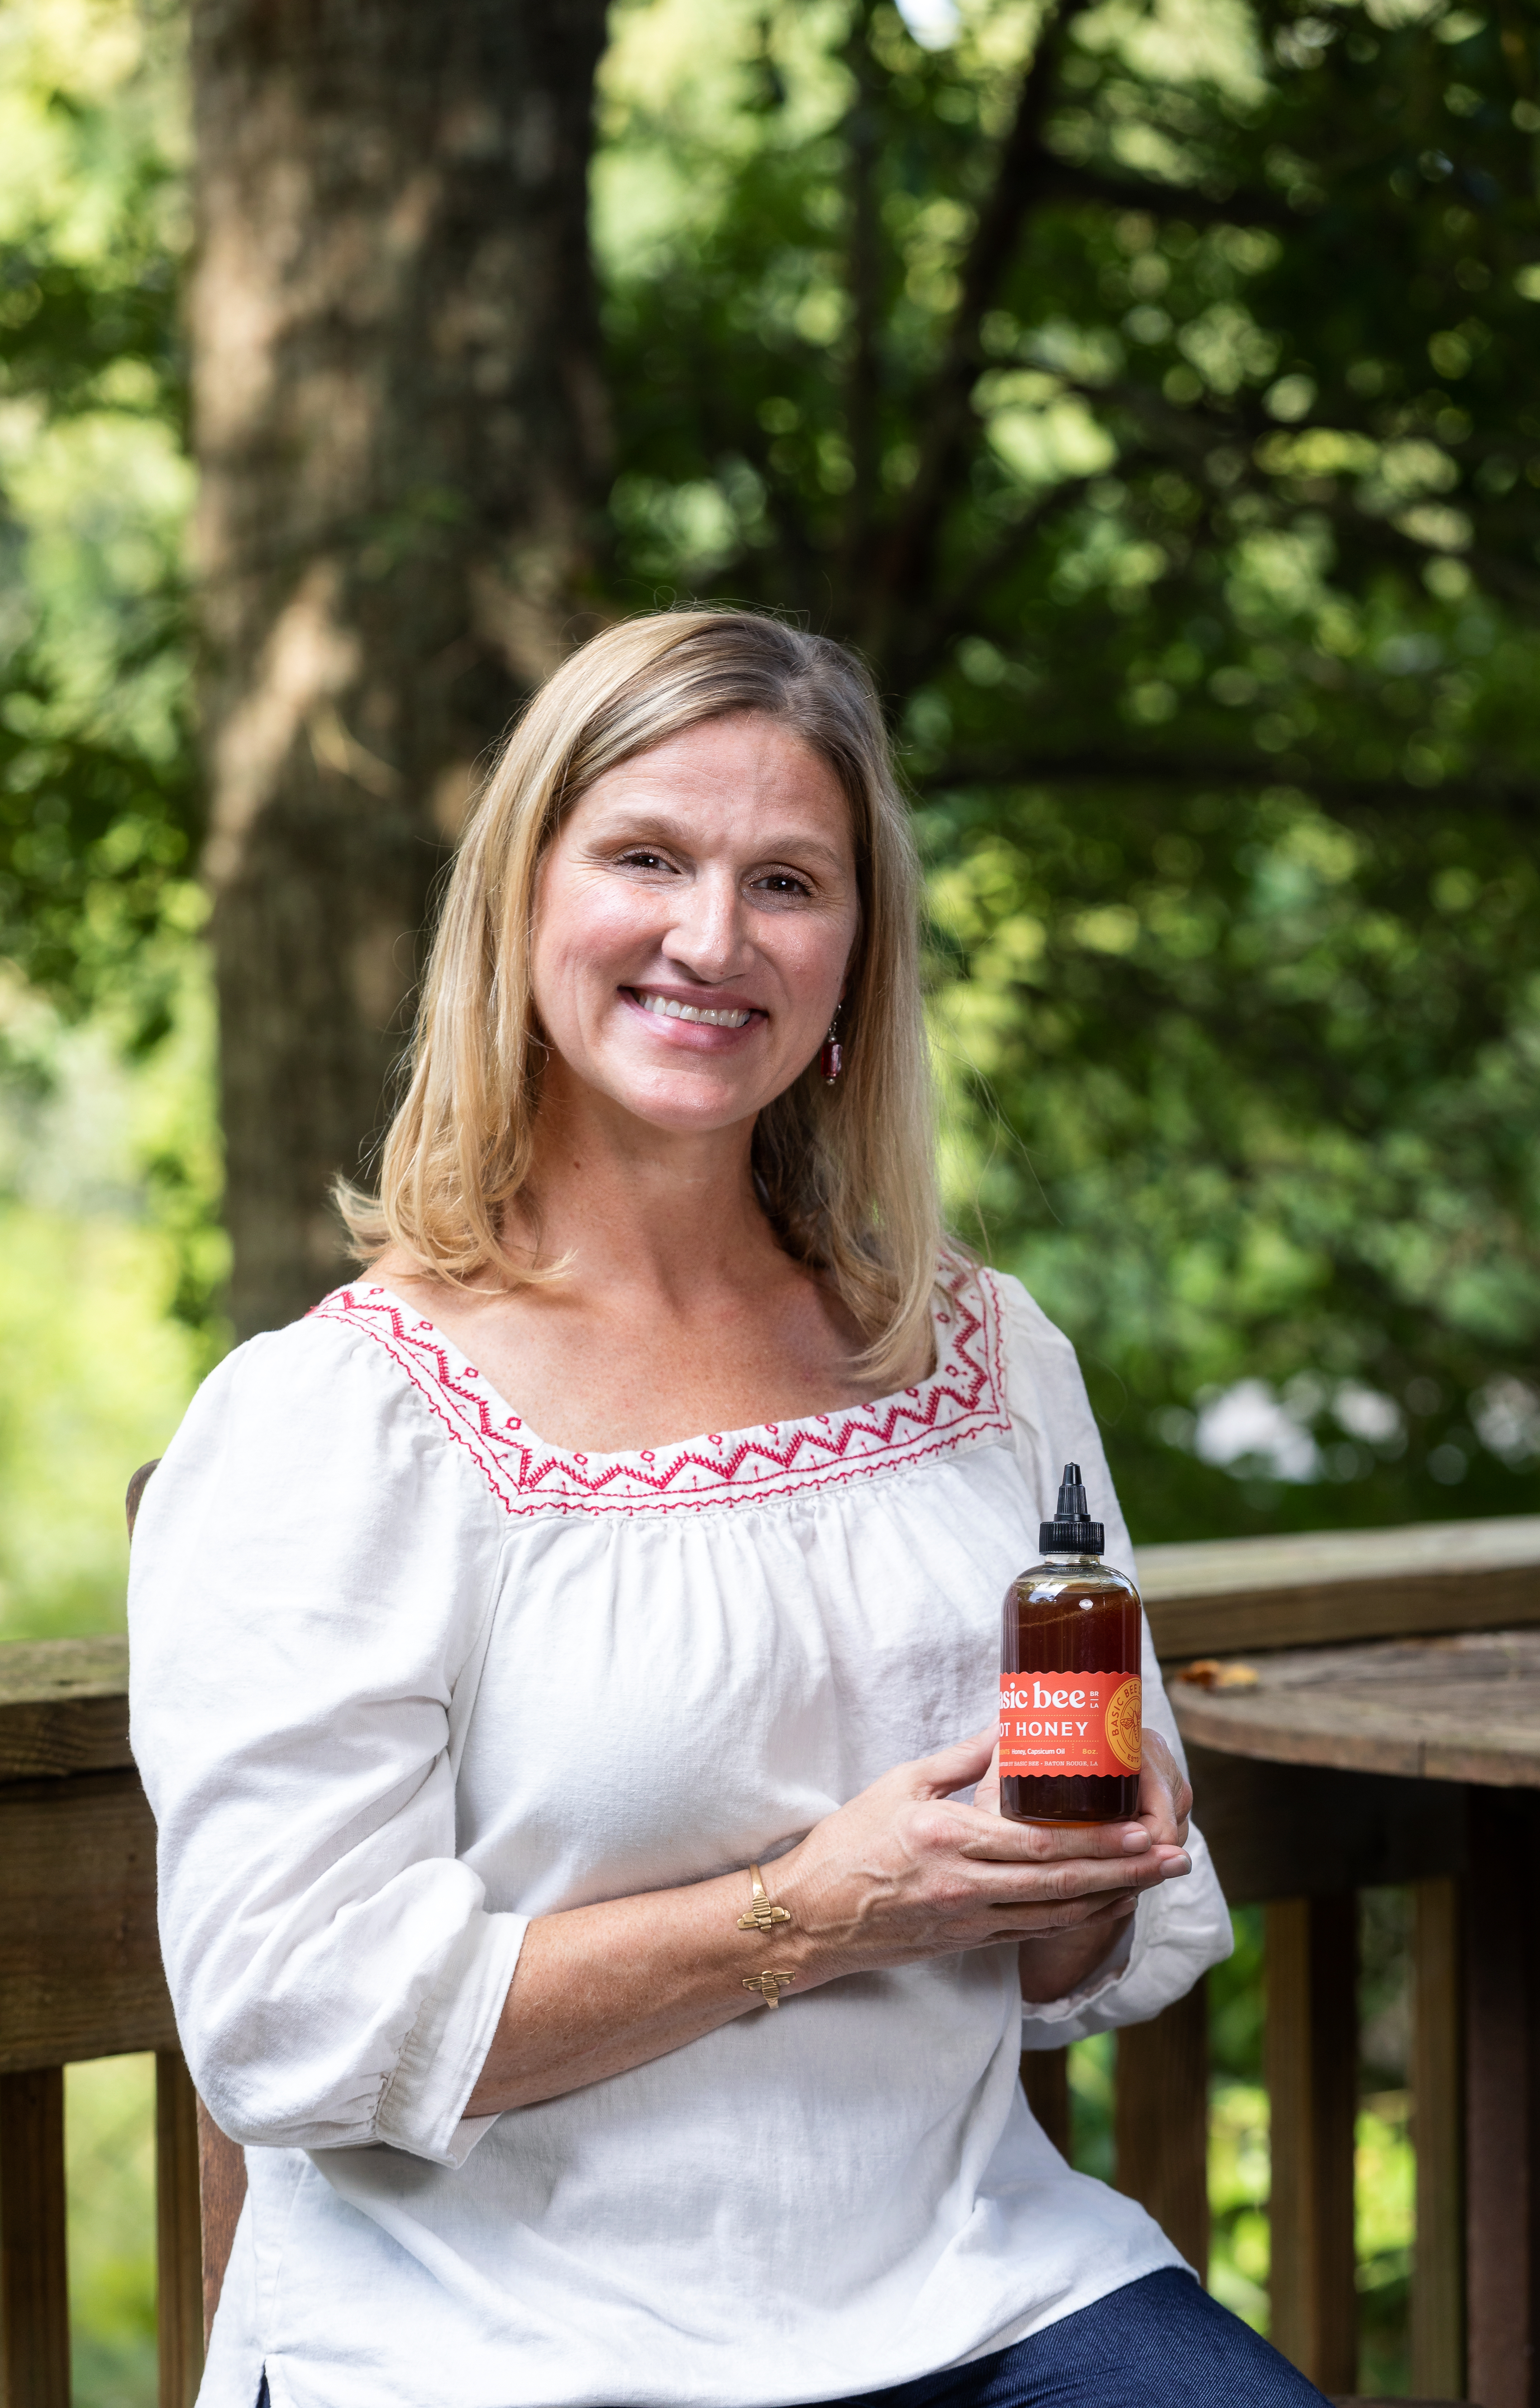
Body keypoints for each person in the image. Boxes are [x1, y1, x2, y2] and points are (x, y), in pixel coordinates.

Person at [129, 610, 1319, 2408]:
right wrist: (817, 1909)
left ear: (856, 953)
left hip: (969, 2284)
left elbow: (1080, 1960)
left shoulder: (984, 1356)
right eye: (647, 858)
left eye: (786, 880)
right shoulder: (338, 1422)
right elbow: (291, 2024)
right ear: (524, 900)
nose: (713, 937)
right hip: (490, 2336)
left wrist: (1078, 1861)